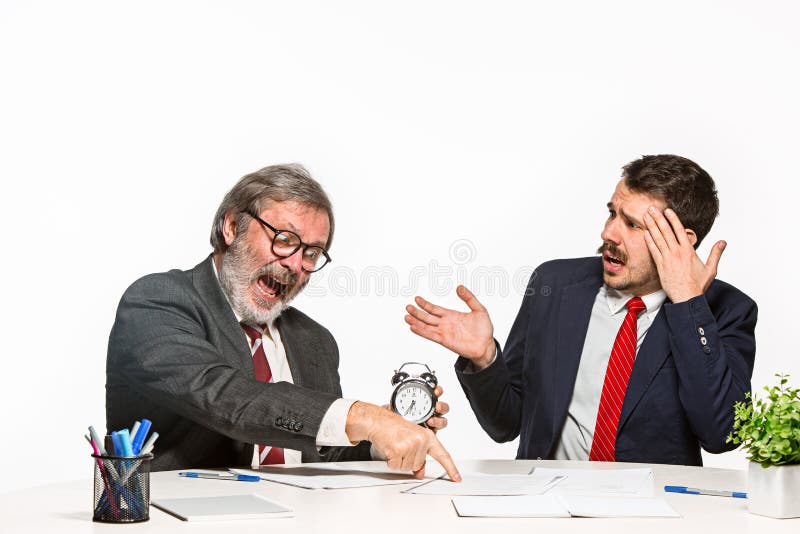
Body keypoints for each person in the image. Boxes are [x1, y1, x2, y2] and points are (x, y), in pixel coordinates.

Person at [107, 163, 460, 480]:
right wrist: (361, 417)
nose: (294, 265)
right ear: (232, 227)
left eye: (311, 252)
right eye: (284, 239)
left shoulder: (314, 340)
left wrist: (379, 440)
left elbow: (320, 446)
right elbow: (226, 397)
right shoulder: (157, 302)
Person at [405, 154, 757, 466]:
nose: (608, 233)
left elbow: (721, 435)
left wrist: (688, 303)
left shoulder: (727, 310)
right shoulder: (555, 284)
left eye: (632, 224)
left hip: (651, 512)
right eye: (611, 213)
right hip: (545, 502)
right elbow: (506, 424)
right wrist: (485, 359)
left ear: (682, 239)